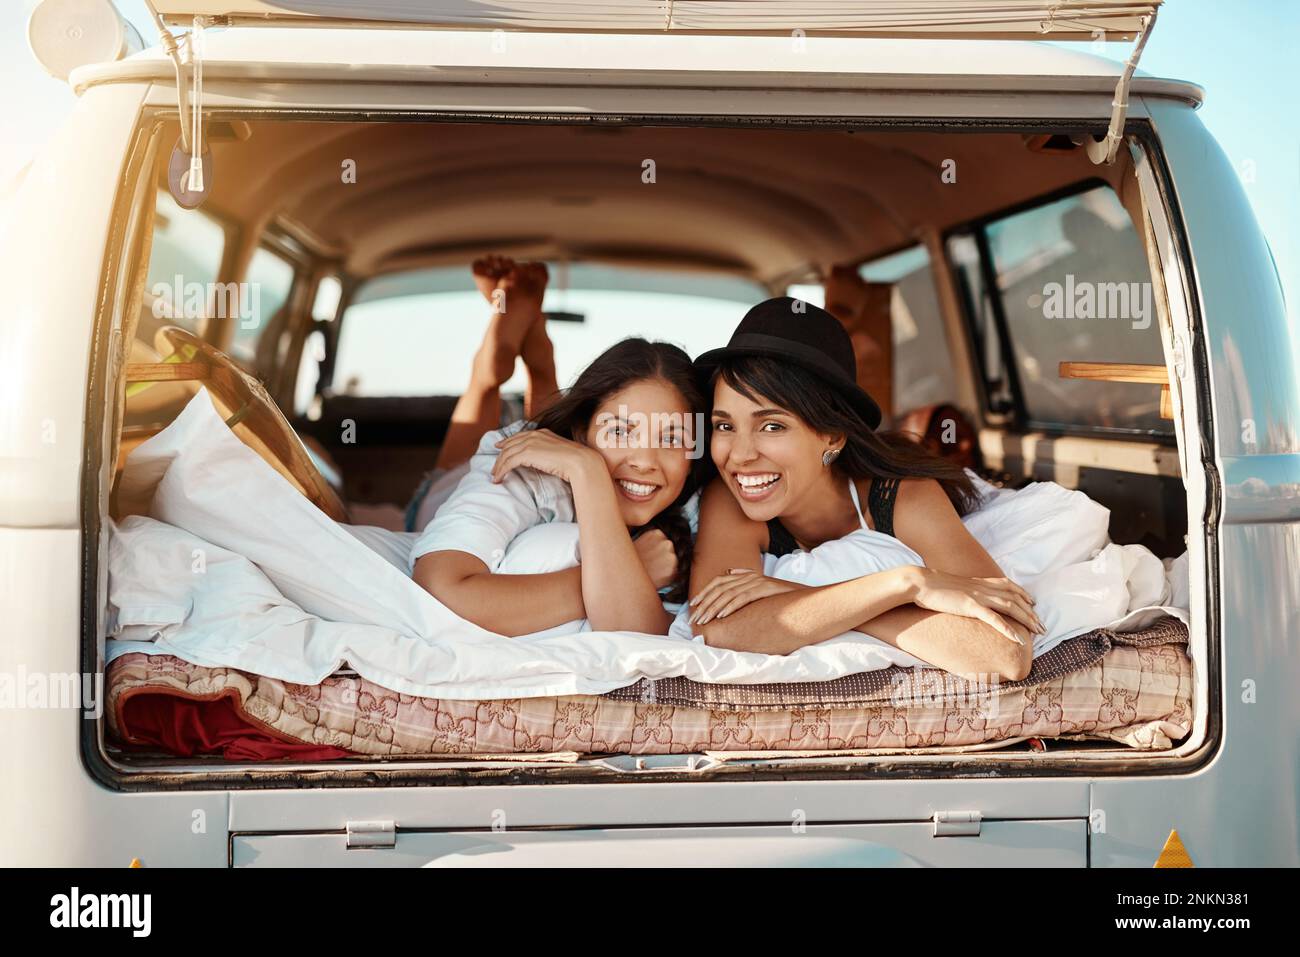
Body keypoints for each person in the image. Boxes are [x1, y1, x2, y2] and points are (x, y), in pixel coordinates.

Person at [686, 297, 1043, 681]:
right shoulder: (730, 498)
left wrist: (791, 596)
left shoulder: (905, 498)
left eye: (772, 426)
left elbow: (1006, 654)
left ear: (833, 436)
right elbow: (718, 628)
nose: (739, 455)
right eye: (725, 426)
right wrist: (904, 584)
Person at [409, 335, 708, 637]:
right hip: (434, 497)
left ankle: (539, 360)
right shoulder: (521, 469)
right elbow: (439, 594)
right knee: (482, 398)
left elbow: (633, 632)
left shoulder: (700, 496)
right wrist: (588, 473)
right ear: (581, 432)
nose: (645, 461)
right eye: (619, 431)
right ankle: (517, 350)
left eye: (672, 438)